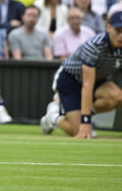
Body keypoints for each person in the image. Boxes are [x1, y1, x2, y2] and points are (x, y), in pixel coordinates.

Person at [40, 10, 122, 139]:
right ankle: (54, 116)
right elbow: (87, 85)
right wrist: (85, 123)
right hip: (70, 80)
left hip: (98, 80)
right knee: (77, 130)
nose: (121, 36)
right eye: (118, 31)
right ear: (108, 28)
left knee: (117, 97)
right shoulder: (94, 46)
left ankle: (79, 116)